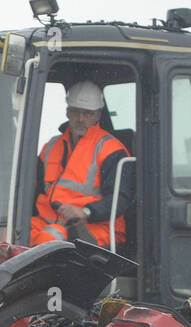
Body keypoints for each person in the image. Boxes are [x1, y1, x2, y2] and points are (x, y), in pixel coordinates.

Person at [30, 81, 131, 248]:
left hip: (93, 227)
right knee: (7, 232)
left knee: (49, 239)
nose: (81, 119)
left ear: (98, 115)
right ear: (67, 112)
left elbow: (120, 199)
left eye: (88, 114)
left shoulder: (111, 150)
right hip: (48, 221)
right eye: (76, 112)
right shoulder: (51, 147)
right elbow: (35, 190)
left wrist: (85, 212)